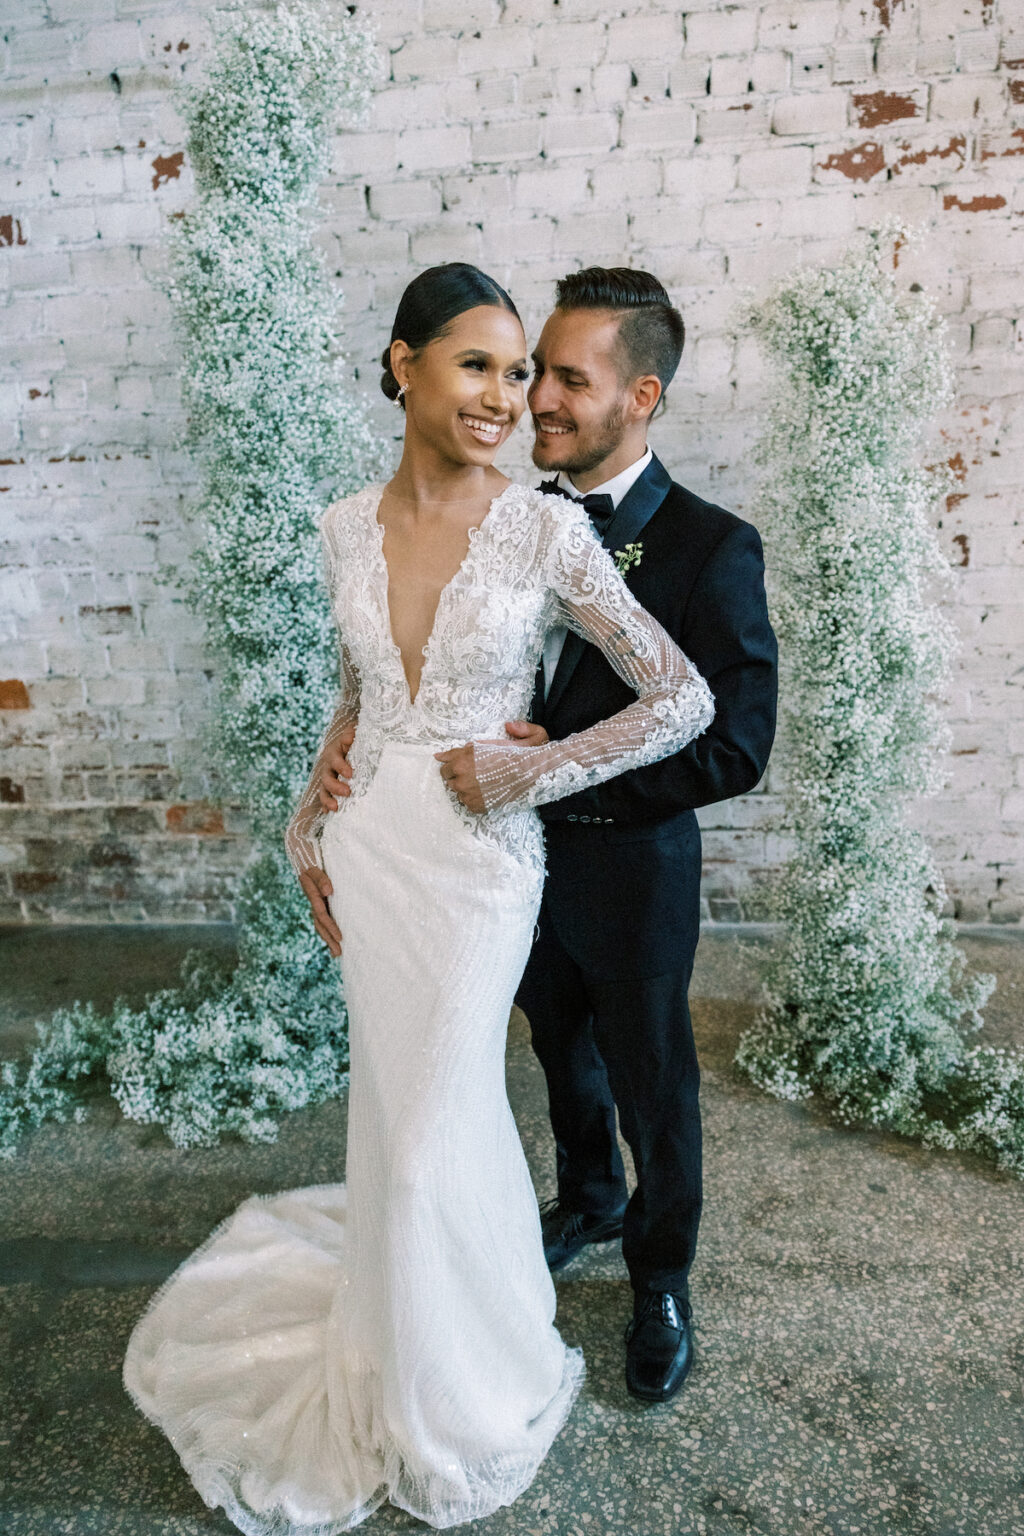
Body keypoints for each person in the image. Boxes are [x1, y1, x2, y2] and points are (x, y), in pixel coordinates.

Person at [122, 263, 715, 1535]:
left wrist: (535, 765)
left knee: (431, 1118)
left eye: (520, 373)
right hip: (368, 846)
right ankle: (401, 1335)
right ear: (402, 367)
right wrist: (305, 820)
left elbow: (684, 699)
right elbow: (363, 687)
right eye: (477, 366)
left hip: (476, 859)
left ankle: (456, 1387)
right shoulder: (342, 523)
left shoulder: (547, 528)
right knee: (398, 1110)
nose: (506, 396)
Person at [318, 268, 778, 1408]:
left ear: (642, 396)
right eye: (533, 375)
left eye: (564, 380)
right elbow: (383, 680)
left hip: (622, 864)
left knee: (649, 1079)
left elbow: (731, 745)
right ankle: (587, 1201)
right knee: (550, 1054)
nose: (537, 404)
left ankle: (659, 1280)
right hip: (472, 869)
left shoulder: (711, 547)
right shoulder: (499, 517)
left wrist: (549, 776)